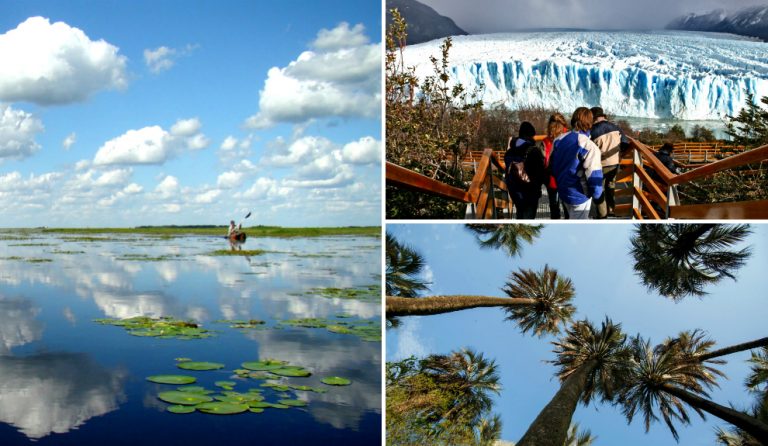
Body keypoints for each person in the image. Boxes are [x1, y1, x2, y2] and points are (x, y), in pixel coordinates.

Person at [549, 107, 604, 219]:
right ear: (590, 123)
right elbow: (594, 176)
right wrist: (598, 196)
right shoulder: (589, 146)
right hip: (579, 195)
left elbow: (552, 167)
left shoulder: (558, 140)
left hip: (563, 192)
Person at [590, 107, 629, 218]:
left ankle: (602, 214)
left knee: (599, 189)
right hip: (615, 163)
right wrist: (620, 155)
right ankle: (612, 209)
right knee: (610, 186)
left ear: (594, 117)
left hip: (600, 165)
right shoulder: (616, 127)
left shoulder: (593, 131)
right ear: (603, 116)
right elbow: (625, 143)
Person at [504, 121, 546, 219]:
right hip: (530, 192)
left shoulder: (509, 152)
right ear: (531, 135)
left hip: (514, 192)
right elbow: (540, 173)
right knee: (529, 217)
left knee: (520, 214)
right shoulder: (534, 151)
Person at [542, 113, 569, 219]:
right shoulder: (570, 139)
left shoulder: (545, 141)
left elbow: (543, 162)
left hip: (551, 180)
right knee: (567, 207)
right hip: (567, 179)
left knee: (554, 207)